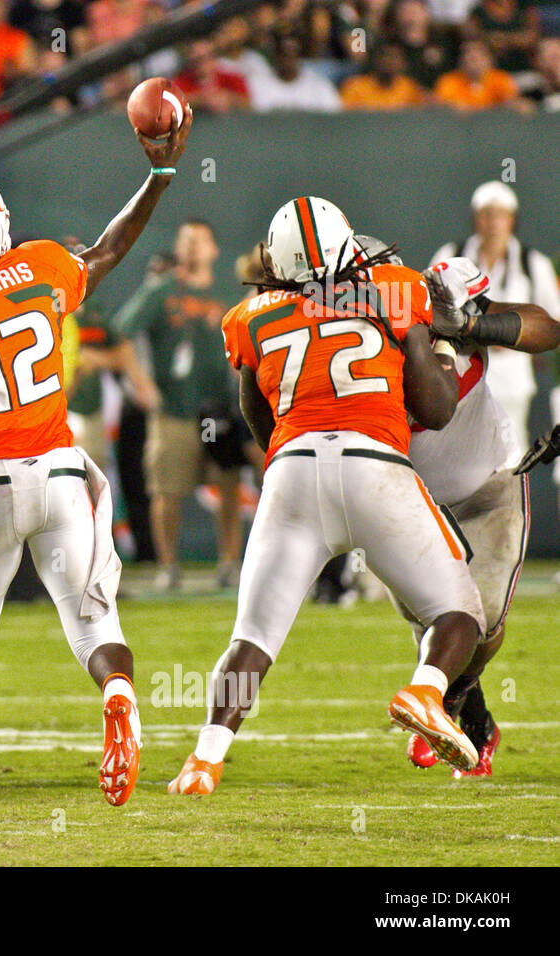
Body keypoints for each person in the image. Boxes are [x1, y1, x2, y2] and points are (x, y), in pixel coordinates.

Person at [0, 107, 192, 822]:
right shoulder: (43, 267)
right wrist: (159, 176)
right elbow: (111, 248)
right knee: (91, 626)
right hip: (58, 472)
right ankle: (118, 698)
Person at [167, 198, 486, 796]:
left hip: (293, 471)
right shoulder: (395, 288)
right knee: (460, 611)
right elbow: (437, 410)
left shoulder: (250, 316)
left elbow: (252, 412)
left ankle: (203, 762)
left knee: (253, 637)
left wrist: (286, 464)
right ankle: (423, 690)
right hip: (376, 466)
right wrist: (443, 346)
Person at [398, 250, 560, 777]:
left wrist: (471, 324)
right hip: (413, 500)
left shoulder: (456, 305)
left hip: (490, 485)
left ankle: (446, 703)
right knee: (439, 620)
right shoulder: (380, 327)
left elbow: (546, 328)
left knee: (484, 618)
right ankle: (474, 718)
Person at [111, 220, 246, 591]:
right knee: (166, 491)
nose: (191, 247)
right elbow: (120, 332)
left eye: (199, 241)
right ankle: (169, 565)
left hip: (217, 408)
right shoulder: (162, 289)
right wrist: (143, 385)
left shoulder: (226, 291)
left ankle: (230, 562)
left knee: (228, 486)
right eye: (185, 239)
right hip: (172, 409)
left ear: (214, 250)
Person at [430, 182, 560, 460]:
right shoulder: (450, 257)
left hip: (512, 379)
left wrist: (512, 335)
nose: (493, 223)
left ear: (512, 219)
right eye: (486, 214)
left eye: (500, 215)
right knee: (458, 452)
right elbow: (428, 308)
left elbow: (552, 323)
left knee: (511, 453)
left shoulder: (533, 264)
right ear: (476, 218)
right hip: (461, 375)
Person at [247, 29, 342, 113]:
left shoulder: (319, 86)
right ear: (275, 55)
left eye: (292, 53)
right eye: (283, 53)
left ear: (299, 55)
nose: (288, 59)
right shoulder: (256, 84)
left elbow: (333, 121)